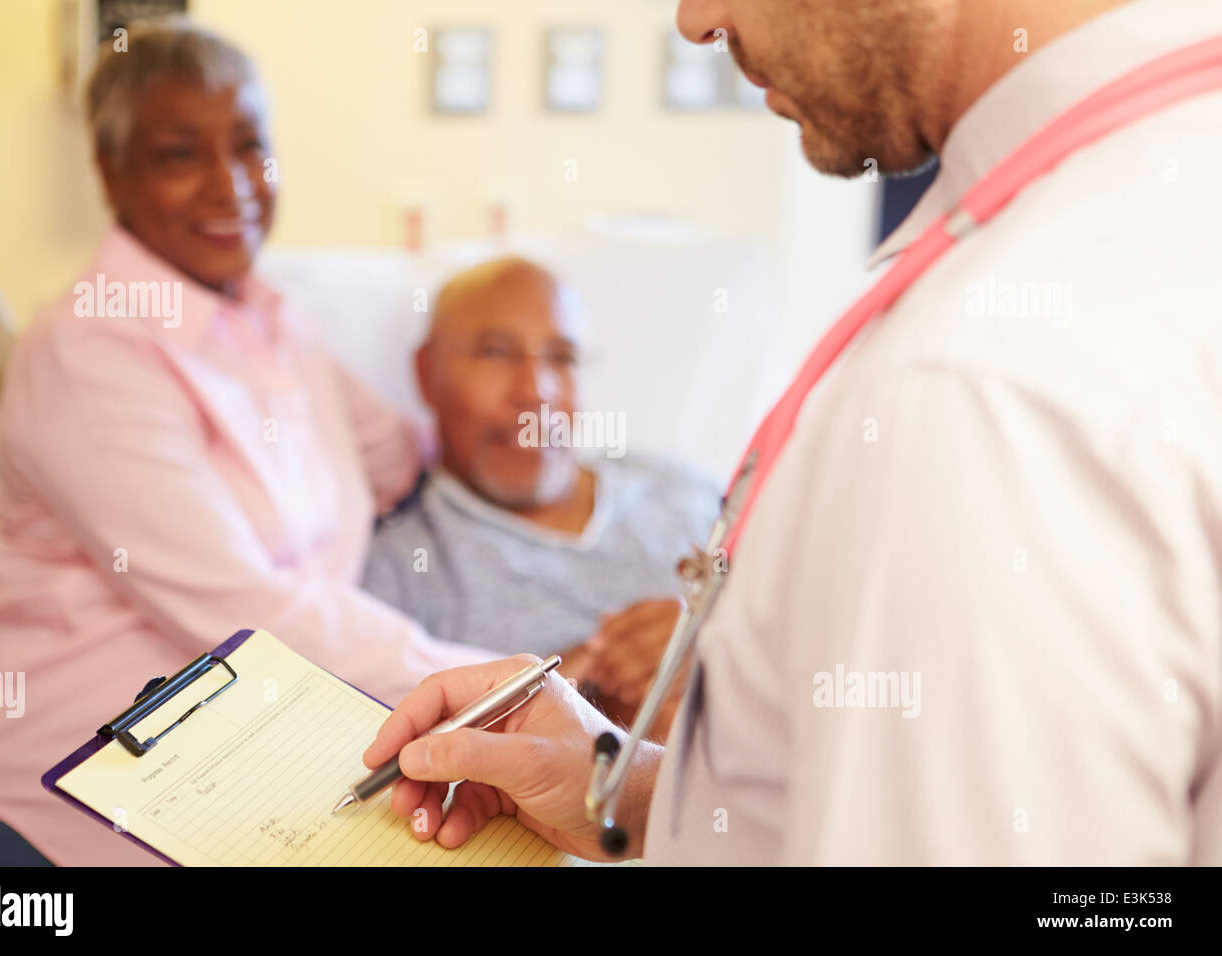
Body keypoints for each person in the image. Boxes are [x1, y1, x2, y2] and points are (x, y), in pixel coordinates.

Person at [362, 0, 1222, 864]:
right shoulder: (1159, 198)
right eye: (495, 354)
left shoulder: (974, 383)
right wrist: (627, 786)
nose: (695, 22)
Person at [0, 19, 490, 867]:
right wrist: (503, 687)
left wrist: (522, 408)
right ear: (112, 176)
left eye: (251, 146)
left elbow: (402, 458)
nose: (233, 188)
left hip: (203, 797)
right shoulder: (89, 352)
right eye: (181, 155)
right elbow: (249, 614)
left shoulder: (273, 322)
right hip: (26, 808)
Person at [361, 257, 719, 734]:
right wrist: (579, 689)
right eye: (495, 353)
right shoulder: (401, 570)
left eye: (563, 358)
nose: (536, 391)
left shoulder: (682, 488)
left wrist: (714, 636)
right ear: (428, 374)